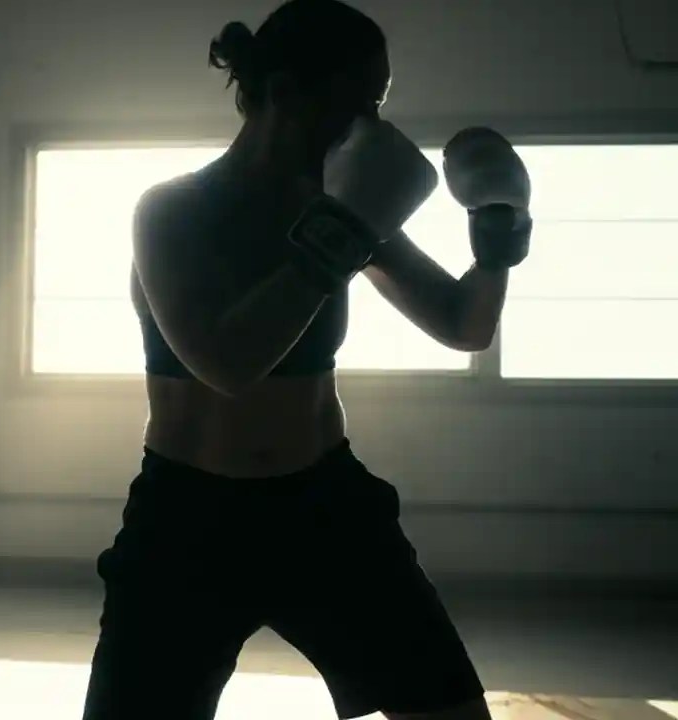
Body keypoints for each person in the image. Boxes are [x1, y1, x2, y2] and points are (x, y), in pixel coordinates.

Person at [82, 1, 532, 718]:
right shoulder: (172, 211)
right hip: (187, 517)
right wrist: (350, 225)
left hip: (325, 506)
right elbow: (227, 362)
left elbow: (463, 324)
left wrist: (499, 231)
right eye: (359, 101)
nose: (372, 129)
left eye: (379, 104)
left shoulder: (343, 206)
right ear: (285, 93)